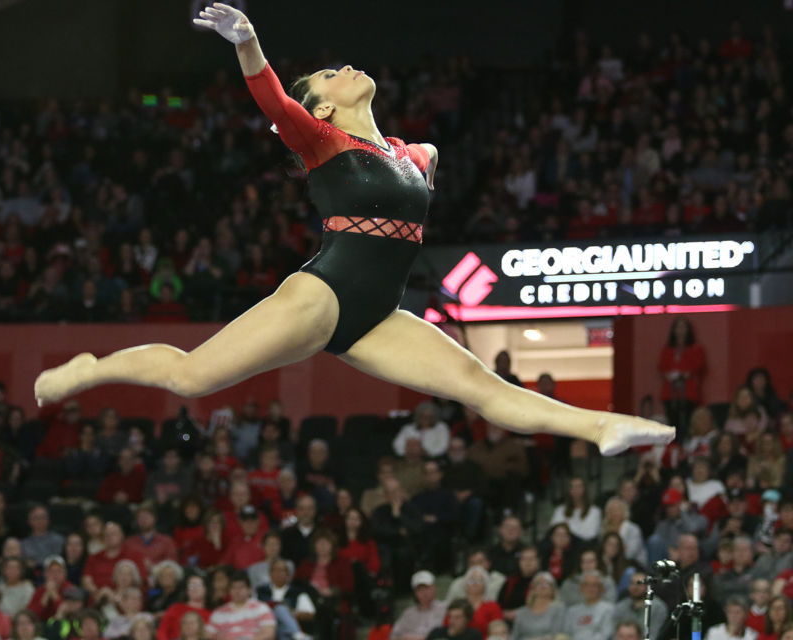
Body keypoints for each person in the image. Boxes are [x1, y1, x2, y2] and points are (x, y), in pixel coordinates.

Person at [33, 3, 674, 465]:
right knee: (190, 379)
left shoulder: (406, 153)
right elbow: (276, 105)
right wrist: (247, 43)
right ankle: (89, 370)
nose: (345, 68)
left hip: (378, 316)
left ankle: (603, 428)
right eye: (331, 73)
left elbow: (423, 159)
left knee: (483, 389)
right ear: (323, 108)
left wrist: (420, 157)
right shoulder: (323, 141)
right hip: (324, 295)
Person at [659, 317, 705, 437]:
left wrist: (686, 374)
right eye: (678, 327)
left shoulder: (695, 348)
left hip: (688, 392)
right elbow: (661, 367)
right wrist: (668, 375)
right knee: (673, 424)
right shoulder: (668, 349)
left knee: (688, 423)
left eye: (683, 327)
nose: (680, 330)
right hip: (670, 393)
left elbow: (699, 366)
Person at [254, 559, 315, 640]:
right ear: (270, 574)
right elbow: (252, 610)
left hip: (285, 632)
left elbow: (310, 614)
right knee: (279, 609)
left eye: (281, 570)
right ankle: (297, 633)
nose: (278, 573)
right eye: (275, 570)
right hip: (266, 628)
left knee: (281, 611)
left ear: (288, 574)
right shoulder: (260, 591)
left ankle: (294, 632)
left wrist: (291, 614)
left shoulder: (298, 593)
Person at [205, 570, 275, 640]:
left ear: (249, 589)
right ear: (229, 590)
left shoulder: (261, 608)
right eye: (233, 588)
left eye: (241, 587)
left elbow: (268, 635)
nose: (237, 591)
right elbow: (208, 636)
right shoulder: (218, 613)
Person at [390, 571, 448, 640]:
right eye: (419, 589)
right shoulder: (408, 613)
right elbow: (393, 636)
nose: (424, 592)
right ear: (415, 593)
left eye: (426, 588)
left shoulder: (445, 608)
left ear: (434, 588)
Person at [612, 570, 667, 640]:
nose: (635, 587)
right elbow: (614, 634)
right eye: (632, 583)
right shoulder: (621, 606)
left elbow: (653, 636)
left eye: (639, 584)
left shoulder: (658, 607)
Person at [509, 571, 563, 640]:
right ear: (533, 589)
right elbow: (514, 636)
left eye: (547, 583)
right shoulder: (522, 612)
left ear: (553, 590)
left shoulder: (558, 608)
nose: (543, 586)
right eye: (539, 583)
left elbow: (557, 634)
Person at [562, 572, 614, 640]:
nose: (590, 588)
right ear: (581, 588)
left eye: (594, 585)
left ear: (601, 588)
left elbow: (605, 635)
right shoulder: (572, 611)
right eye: (586, 585)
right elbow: (566, 634)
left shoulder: (608, 609)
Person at [156, 574, 211, 640]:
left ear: (205, 588)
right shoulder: (175, 608)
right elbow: (162, 631)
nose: (194, 588)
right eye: (191, 586)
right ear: (187, 590)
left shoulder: (211, 613)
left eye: (198, 585)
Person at [550, 477, 601, 542]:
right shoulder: (560, 510)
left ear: (585, 489)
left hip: (584, 545)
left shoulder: (595, 511)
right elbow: (553, 531)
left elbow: (590, 534)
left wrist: (566, 528)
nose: (575, 490)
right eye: (572, 487)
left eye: (578, 487)